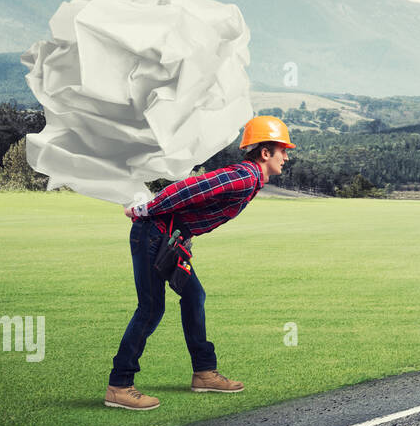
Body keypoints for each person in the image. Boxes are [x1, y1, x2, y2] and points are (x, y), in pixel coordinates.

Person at [104, 115, 296, 410]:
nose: (286, 155)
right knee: (151, 308)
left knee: (194, 295)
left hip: (168, 237)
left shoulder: (251, 179)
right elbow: (190, 189)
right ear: (265, 152)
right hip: (153, 233)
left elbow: (198, 207)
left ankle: (204, 373)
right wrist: (145, 209)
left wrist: (184, 237)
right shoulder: (245, 176)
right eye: (282, 149)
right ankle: (119, 385)